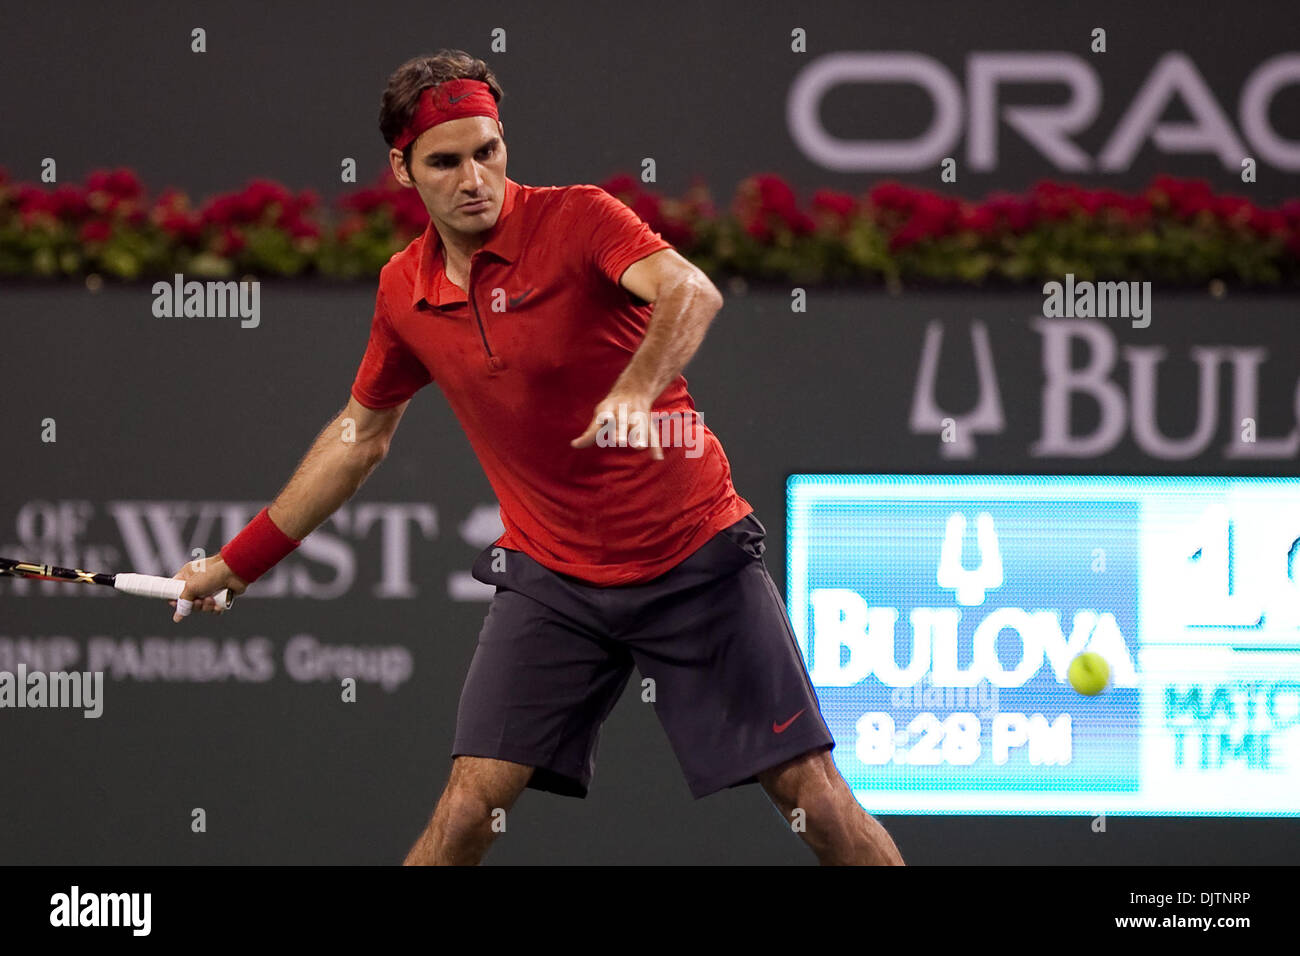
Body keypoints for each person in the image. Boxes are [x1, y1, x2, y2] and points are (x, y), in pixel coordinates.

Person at [170, 49, 904, 867]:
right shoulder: (402, 291)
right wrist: (238, 563)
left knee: (815, 801)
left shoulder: (579, 218)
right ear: (402, 171)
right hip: (555, 580)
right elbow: (360, 437)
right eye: (445, 162)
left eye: (488, 150)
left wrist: (635, 390)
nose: (474, 176)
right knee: (467, 809)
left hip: (691, 555)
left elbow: (690, 290)